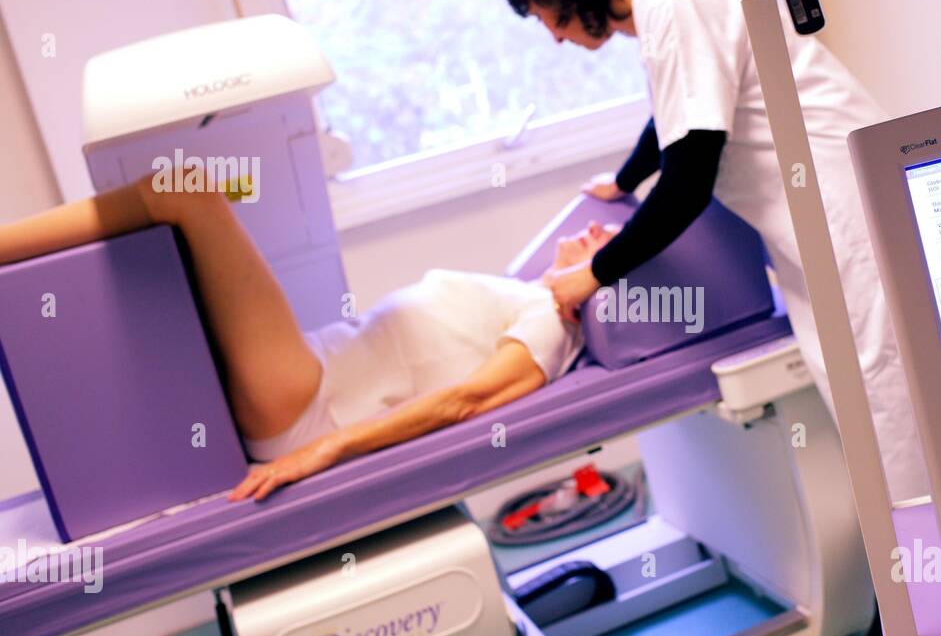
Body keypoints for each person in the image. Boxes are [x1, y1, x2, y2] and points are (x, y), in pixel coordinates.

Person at [502, 0, 930, 636]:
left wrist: (590, 275)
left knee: (891, 446)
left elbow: (691, 176)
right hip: (816, 243)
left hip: (849, 231)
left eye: (550, 18)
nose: (556, 37)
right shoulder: (674, 7)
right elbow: (672, 121)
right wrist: (623, 185)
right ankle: (919, 621)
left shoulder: (680, 4)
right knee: (884, 437)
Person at [0, 176, 605, 501]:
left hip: (307, 402)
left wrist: (327, 449)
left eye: (609, 242)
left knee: (185, 191)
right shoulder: (523, 291)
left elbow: (466, 401)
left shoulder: (553, 319)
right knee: (168, 249)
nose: (597, 228)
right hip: (304, 375)